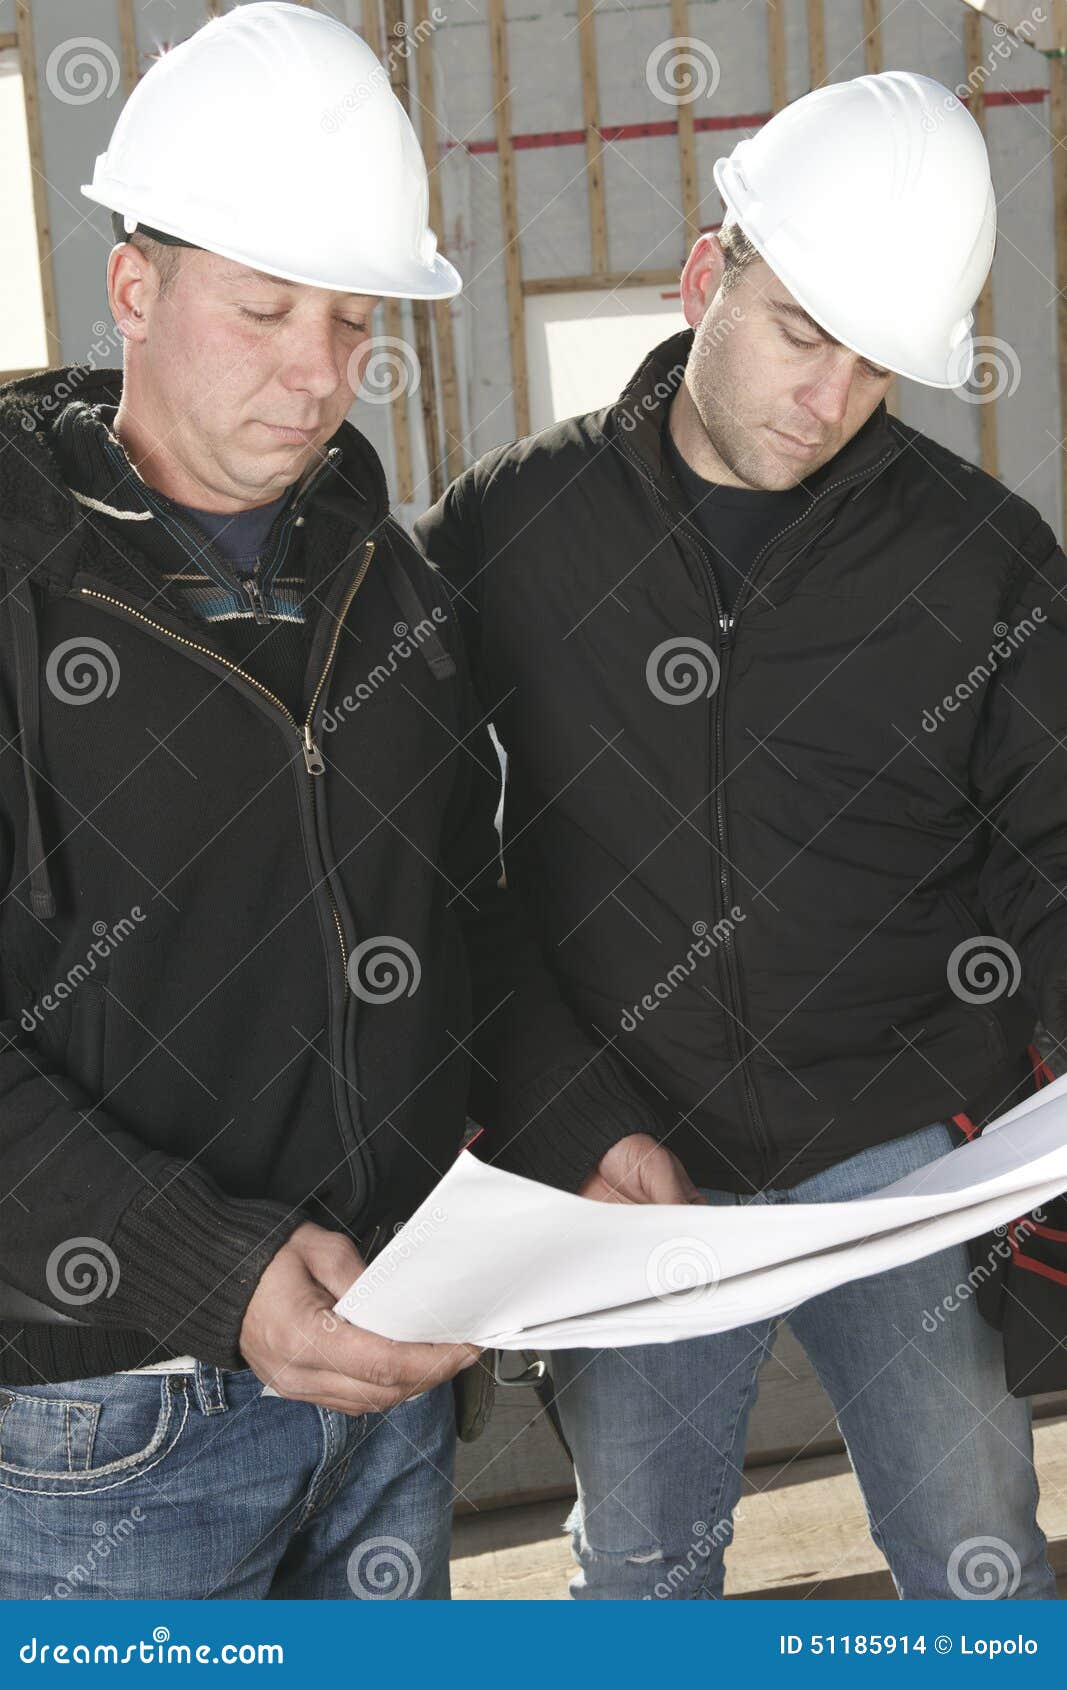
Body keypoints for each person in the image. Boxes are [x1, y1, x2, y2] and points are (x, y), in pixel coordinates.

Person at [0, 2, 645, 1601]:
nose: (317, 378)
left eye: (354, 323)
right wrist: (210, 1272)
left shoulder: (396, 587)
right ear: (133, 287)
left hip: (388, 1388)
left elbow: (458, 928)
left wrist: (581, 1120)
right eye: (268, 311)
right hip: (114, 1427)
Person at [416, 71, 1065, 1599]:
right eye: (796, 333)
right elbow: (431, 867)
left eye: (870, 367)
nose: (825, 399)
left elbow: (1055, 852)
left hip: (904, 1146)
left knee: (980, 1552)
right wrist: (562, 1114)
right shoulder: (511, 526)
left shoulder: (985, 562)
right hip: (636, 1167)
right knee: (640, 1577)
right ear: (707, 274)